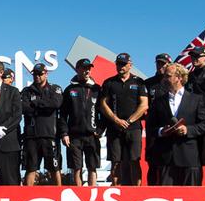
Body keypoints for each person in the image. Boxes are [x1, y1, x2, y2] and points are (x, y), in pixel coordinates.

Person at [146, 62, 205, 185]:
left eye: (168, 76)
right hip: (165, 158)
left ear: (179, 77)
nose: (164, 78)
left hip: (189, 158)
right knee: (166, 198)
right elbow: (150, 127)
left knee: (191, 199)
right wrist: (161, 131)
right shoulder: (158, 101)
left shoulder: (196, 99)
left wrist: (188, 130)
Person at [100, 52, 148, 186]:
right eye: (118, 64)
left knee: (134, 160)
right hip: (114, 128)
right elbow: (103, 104)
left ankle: (136, 192)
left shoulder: (139, 82)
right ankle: (116, 190)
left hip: (133, 128)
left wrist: (129, 121)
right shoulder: (109, 82)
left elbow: (144, 105)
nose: (120, 67)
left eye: (123, 64)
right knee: (116, 161)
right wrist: (116, 120)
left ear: (130, 65)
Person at [61, 58, 103, 187]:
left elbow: (104, 112)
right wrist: (64, 133)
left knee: (92, 167)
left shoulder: (97, 89)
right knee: (76, 167)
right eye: (84, 68)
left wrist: (100, 129)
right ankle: (79, 193)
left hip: (92, 135)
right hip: (74, 136)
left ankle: (92, 192)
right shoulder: (69, 89)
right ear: (77, 69)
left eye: (89, 68)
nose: (87, 70)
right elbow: (63, 114)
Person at [21, 63, 63, 186]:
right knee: (31, 168)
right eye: (35, 74)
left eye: (40, 74)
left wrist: (35, 103)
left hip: (50, 134)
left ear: (46, 74)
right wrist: (44, 106)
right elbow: (24, 108)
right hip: (31, 136)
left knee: (55, 168)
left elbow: (56, 103)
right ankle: (27, 197)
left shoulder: (55, 88)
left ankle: (59, 195)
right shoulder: (26, 91)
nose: (37, 76)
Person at [142, 53, 171, 185]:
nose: (161, 66)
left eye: (163, 64)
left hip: (169, 127)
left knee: (169, 161)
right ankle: (152, 190)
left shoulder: (173, 83)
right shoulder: (148, 83)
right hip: (153, 128)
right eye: (158, 63)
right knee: (152, 161)